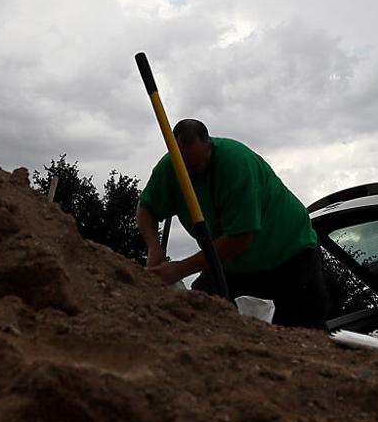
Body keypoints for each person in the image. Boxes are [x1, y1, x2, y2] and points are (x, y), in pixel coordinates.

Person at [135, 119, 330, 329]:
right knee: (197, 313)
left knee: (303, 332)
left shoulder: (236, 164)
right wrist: (153, 247)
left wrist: (179, 269)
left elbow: (239, 240)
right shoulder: (169, 169)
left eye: (197, 165)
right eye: (184, 167)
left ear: (210, 144)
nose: (191, 173)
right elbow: (146, 209)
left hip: (289, 255)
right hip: (231, 265)